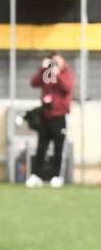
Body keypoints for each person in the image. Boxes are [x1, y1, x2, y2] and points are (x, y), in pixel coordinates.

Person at [27, 52, 74, 188]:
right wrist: (43, 69)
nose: (55, 63)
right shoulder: (48, 73)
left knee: (59, 148)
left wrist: (58, 74)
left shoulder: (66, 73)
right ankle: (36, 175)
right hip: (46, 115)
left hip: (59, 115)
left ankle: (57, 176)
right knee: (41, 146)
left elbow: (67, 88)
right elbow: (34, 83)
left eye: (57, 61)